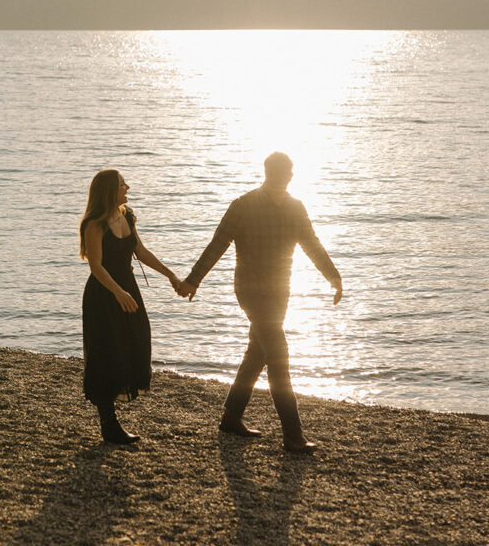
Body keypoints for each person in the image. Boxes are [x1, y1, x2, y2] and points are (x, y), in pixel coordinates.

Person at [177, 152, 342, 453]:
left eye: (290, 172)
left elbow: (312, 244)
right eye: (284, 172)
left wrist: (334, 277)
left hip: (281, 293)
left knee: (257, 353)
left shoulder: (295, 207)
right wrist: (193, 280)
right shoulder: (243, 205)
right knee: (279, 356)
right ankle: (292, 434)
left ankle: (231, 416)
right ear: (270, 173)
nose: (288, 176)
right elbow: (218, 243)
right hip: (251, 292)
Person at [80, 168, 182, 444]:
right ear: (110, 190)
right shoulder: (94, 224)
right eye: (123, 184)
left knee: (137, 340)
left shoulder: (128, 215)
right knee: (107, 353)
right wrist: (117, 292)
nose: (128, 188)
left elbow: (141, 251)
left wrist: (171, 275)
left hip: (127, 290)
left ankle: (111, 421)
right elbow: (96, 266)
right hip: (104, 294)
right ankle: (109, 425)